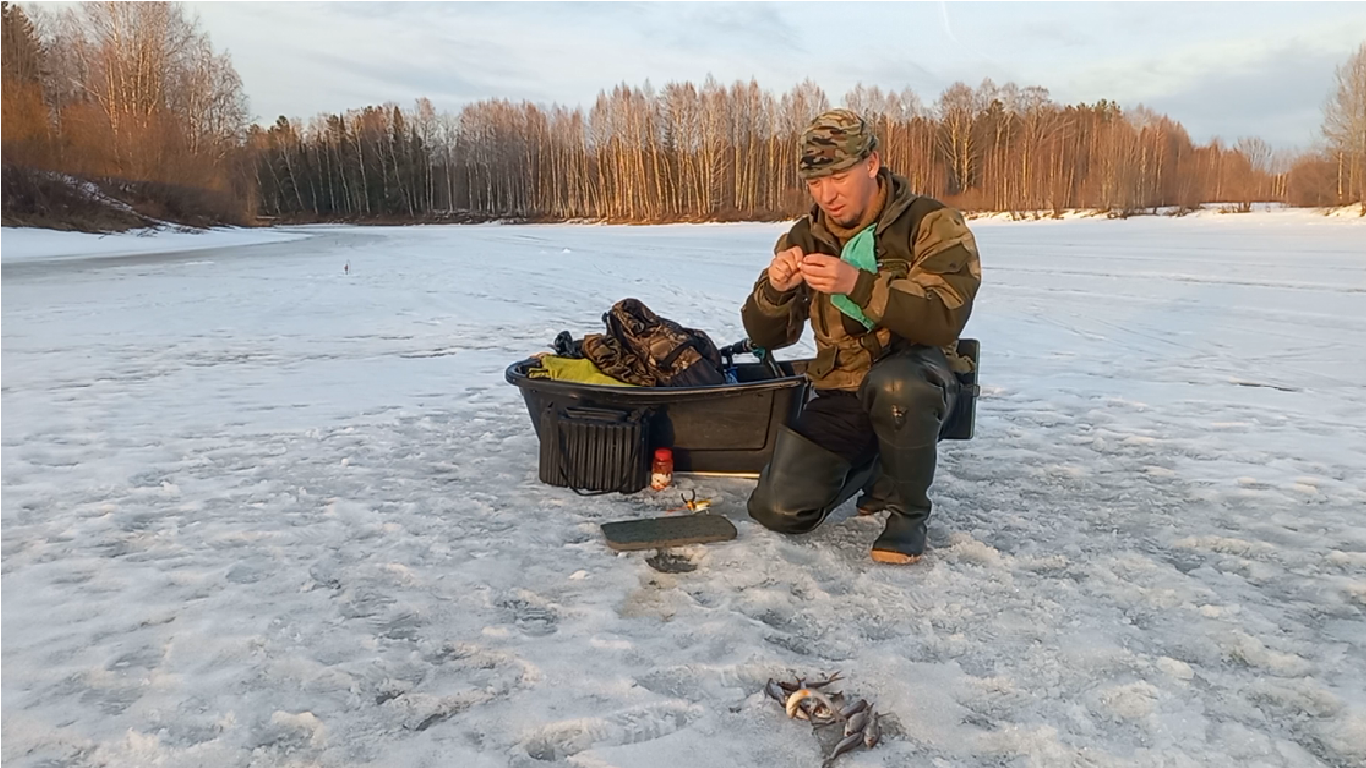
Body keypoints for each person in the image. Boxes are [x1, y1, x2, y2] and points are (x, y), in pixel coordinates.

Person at [741, 108, 982, 564]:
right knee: (778, 509)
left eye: (838, 177)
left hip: (920, 382)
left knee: (896, 385)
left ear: (871, 164)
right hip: (843, 388)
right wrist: (775, 290)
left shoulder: (931, 224)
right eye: (815, 183)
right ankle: (878, 461)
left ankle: (908, 512)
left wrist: (857, 283)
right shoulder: (804, 236)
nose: (826, 195)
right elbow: (765, 336)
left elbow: (943, 318)